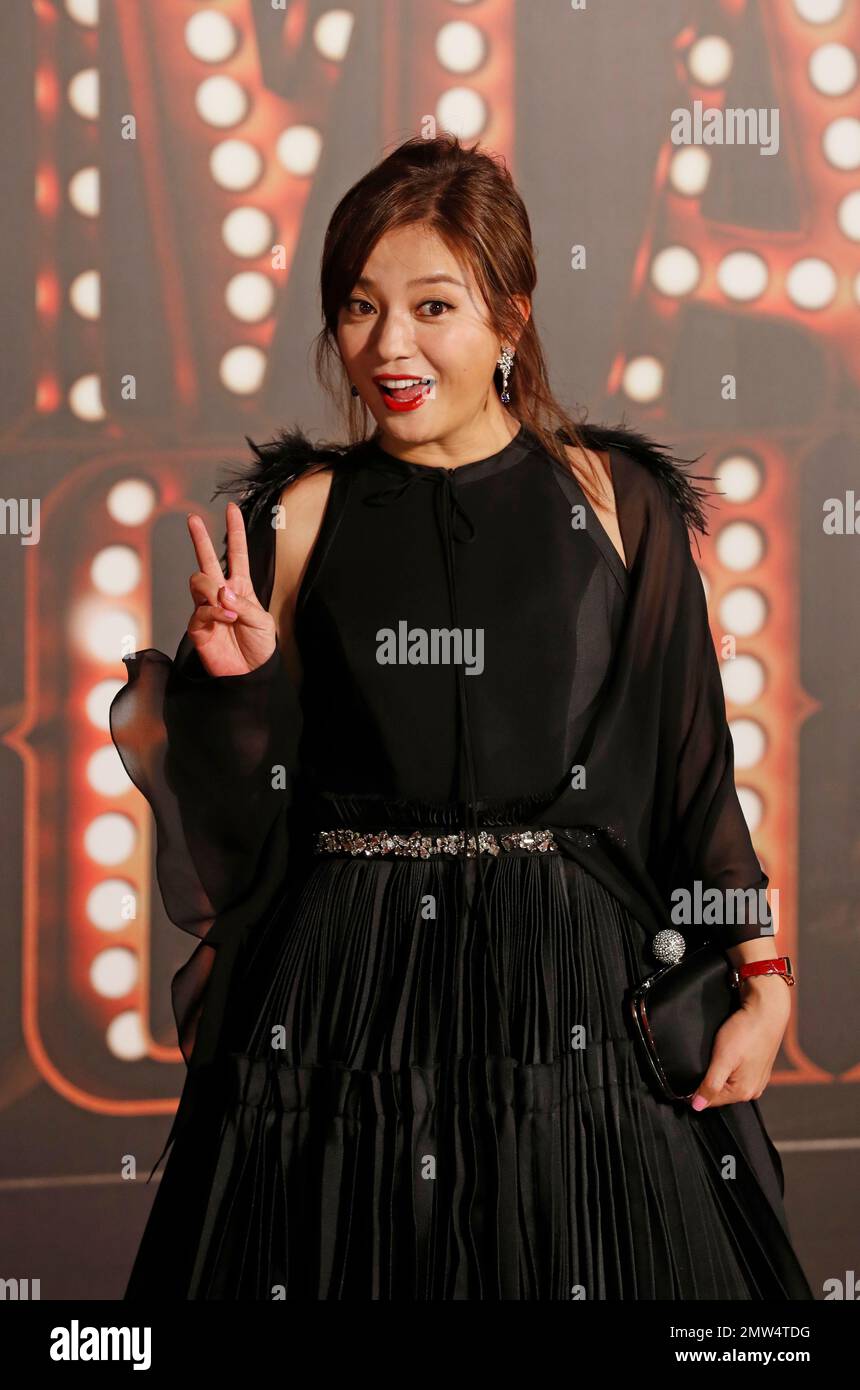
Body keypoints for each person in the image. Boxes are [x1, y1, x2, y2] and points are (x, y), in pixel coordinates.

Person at [110, 134, 814, 1300]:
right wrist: (234, 689)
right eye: (357, 307)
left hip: (570, 986)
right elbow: (239, 835)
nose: (388, 346)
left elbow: (695, 768)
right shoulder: (301, 514)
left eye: (432, 305)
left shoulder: (610, 498)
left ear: (509, 316)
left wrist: (764, 974)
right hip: (343, 997)